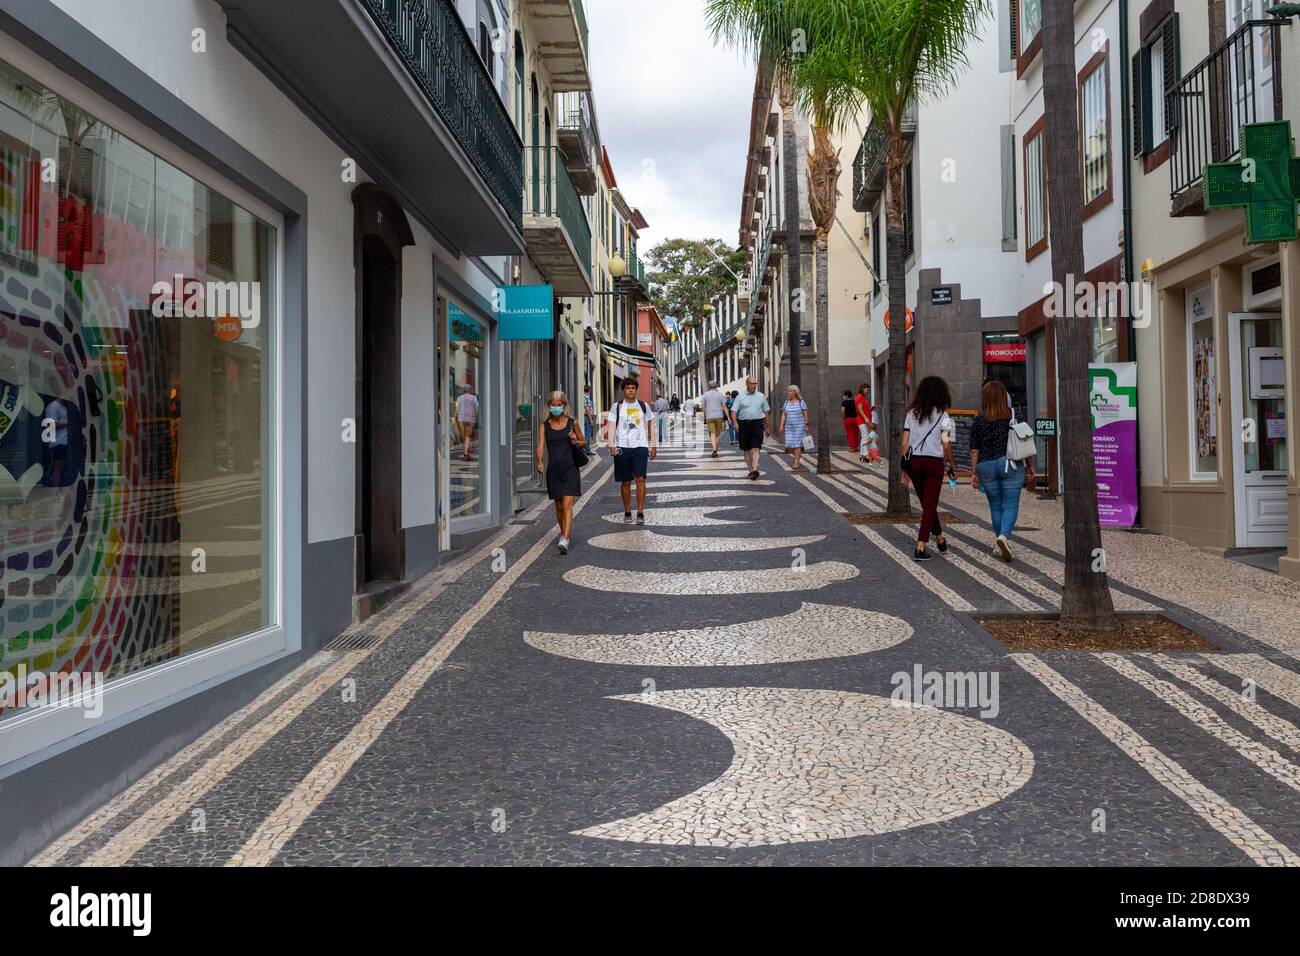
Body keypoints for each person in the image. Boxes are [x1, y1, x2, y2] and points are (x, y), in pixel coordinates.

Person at [970, 379, 1036, 562]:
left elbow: (974, 449)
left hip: (986, 467)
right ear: (1003, 396)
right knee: (1010, 504)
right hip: (1011, 465)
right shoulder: (1015, 416)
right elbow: (1025, 442)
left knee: (995, 506)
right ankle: (1004, 537)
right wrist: (1030, 466)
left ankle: (1000, 541)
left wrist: (974, 473)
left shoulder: (978, 421)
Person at [899, 376, 957, 562]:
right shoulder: (943, 415)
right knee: (930, 504)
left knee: (927, 504)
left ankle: (940, 540)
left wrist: (905, 469)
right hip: (933, 463)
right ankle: (920, 546)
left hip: (914, 462)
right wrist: (952, 465)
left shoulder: (911, 414)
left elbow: (904, 445)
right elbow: (946, 444)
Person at [537, 390, 585, 554]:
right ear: (549, 406)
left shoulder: (573, 423)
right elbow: (540, 446)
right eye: (553, 405)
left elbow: (583, 442)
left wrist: (575, 440)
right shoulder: (544, 426)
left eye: (559, 405)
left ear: (564, 406)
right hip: (554, 470)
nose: (556, 408)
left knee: (567, 505)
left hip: (570, 468)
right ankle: (563, 532)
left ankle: (565, 538)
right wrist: (540, 461)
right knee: (558, 507)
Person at [608, 375, 657, 524]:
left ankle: (640, 513)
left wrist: (653, 445)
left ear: (636, 390)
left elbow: (651, 426)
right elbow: (611, 425)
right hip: (622, 447)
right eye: (628, 388)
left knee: (640, 478)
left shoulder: (644, 406)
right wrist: (611, 444)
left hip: (640, 446)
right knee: (625, 481)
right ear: (623, 391)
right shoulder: (617, 406)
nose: (630, 390)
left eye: (633, 388)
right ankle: (628, 511)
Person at [730, 376, 770, 480]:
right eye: (752, 384)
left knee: (756, 447)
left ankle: (755, 469)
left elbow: (766, 411)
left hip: (757, 424)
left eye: (755, 384)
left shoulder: (761, 396)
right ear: (747, 384)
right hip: (744, 424)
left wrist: (767, 426)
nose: (754, 386)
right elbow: (734, 411)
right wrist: (735, 423)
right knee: (746, 449)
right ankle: (750, 470)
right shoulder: (740, 397)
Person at [780, 384, 810, 470]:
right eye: (788, 390)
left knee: (797, 445)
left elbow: (805, 414)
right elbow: (783, 415)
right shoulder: (786, 402)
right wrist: (781, 425)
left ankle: (796, 461)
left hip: (799, 427)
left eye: (790, 391)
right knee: (789, 446)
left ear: (795, 392)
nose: (788, 392)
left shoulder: (801, 402)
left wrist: (806, 425)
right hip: (789, 427)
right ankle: (797, 456)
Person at [700, 380, 729, 458]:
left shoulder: (705, 395)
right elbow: (724, 406)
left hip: (709, 416)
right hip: (719, 416)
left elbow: (703, 407)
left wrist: (705, 416)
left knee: (712, 434)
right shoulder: (720, 395)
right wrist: (728, 417)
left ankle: (714, 449)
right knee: (717, 434)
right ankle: (716, 448)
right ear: (716, 386)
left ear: (709, 386)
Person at [456, 384, 479, 461]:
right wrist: (476, 416)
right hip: (470, 418)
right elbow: (476, 409)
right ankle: (466, 453)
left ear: (463, 390)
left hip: (462, 418)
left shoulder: (459, 398)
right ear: (469, 390)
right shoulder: (474, 398)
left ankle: (467, 452)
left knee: (466, 436)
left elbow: (457, 409)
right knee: (468, 436)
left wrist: (457, 417)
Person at [854, 384, 874, 463]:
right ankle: (865, 455)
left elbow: (863, 408)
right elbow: (860, 410)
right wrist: (865, 418)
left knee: (864, 437)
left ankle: (862, 455)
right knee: (865, 436)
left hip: (864, 420)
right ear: (862, 389)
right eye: (866, 389)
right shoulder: (859, 398)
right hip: (862, 420)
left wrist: (870, 409)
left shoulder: (862, 398)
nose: (867, 391)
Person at [582, 384, 597, 452]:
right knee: (587, 434)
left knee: (585, 433)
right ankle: (587, 449)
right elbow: (587, 409)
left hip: (584, 417)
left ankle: (586, 448)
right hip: (587, 417)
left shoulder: (582, 397)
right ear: (589, 391)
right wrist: (591, 419)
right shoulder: (586, 398)